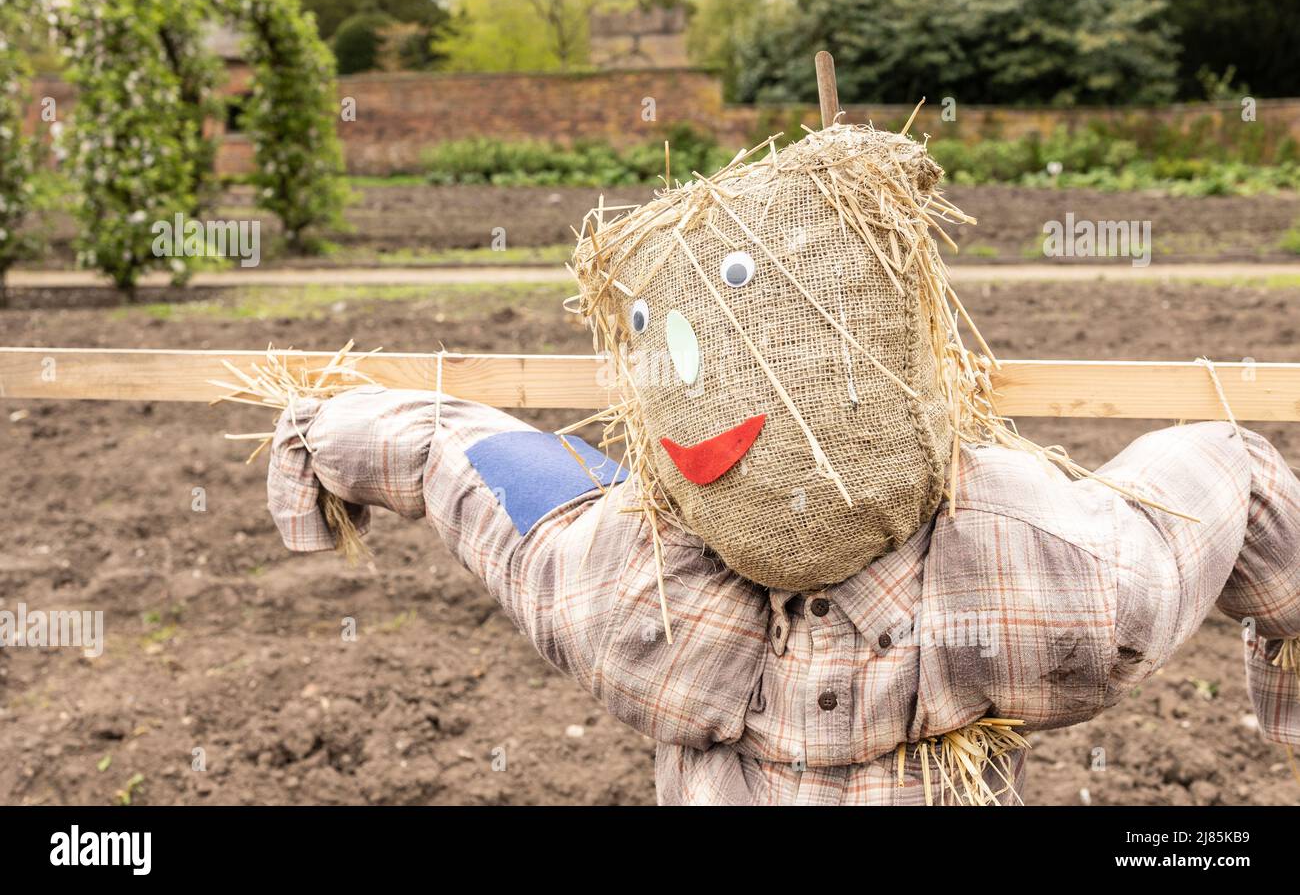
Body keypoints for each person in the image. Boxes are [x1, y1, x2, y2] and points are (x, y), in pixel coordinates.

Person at [266, 126, 1300, 804]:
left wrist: (319, 436)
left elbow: (470, 458)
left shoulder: (614, 584)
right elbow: (1222, 475)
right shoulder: (1056, 575)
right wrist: (1284, 637)